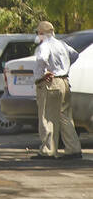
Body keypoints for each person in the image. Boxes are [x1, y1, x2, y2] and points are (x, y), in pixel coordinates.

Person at [32, 21, 82, 160]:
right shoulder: (62, 44)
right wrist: (64, 67)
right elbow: (75, 55)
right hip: (65, 81)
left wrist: (44, 74)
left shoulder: (45, 45)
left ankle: (48, 150)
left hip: (50, 83)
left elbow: (42, 58)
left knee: (47, 117)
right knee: (65, 117)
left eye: (38, 33)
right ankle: (73, 149)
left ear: (41, 33)